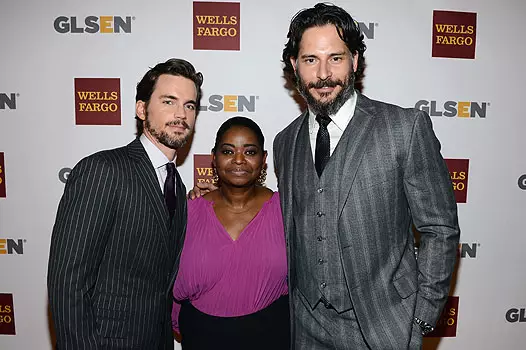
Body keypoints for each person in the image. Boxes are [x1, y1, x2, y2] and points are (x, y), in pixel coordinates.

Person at [273, 3, 460, 349]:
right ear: (294, 65)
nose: (324, 73)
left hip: (385, 327)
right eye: (311, 59)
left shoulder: (404, 128)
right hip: (306, 327)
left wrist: (420, 316)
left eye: (336, 58)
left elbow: (440, 228)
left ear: (355, 61)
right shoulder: (284, 142)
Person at [47, 58, 203, 349]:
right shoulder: (103, 170)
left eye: (190, 105)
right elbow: (68, 281)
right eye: (169, 101)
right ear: (142, 109)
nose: (181, 114)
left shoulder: (177, 186)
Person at [172, 116, 289, 350]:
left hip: (271, 336)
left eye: (249, 152)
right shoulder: (188, 212)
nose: (238, 160)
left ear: (263, 159)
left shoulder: (286, 210)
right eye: (227, 151)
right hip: (200, 337)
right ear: (214, 158)